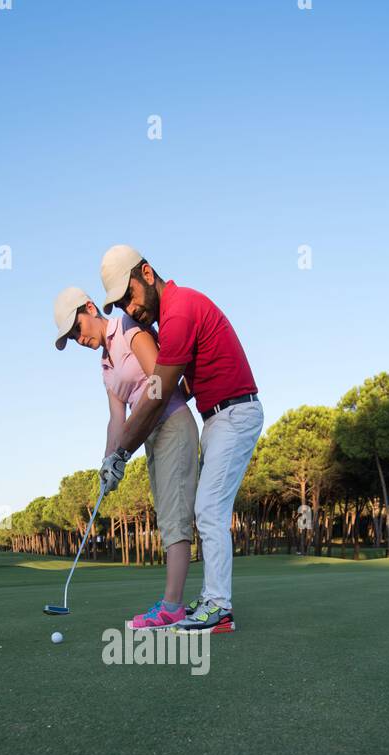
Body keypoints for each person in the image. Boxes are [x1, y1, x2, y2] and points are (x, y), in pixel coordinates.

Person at [98, 246, 263, 632]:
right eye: (120, 303)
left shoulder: (180, 309)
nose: (129, 309)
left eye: (130, 296)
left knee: (208, 509)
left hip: (235, 413)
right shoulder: (174, 315)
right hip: (217, 417)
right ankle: (210, 600)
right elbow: (177, 387)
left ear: (148, 274)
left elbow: (159, 393)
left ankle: (219, 607)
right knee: (207, 510)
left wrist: (121, 450)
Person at [53, 286, 199, 628]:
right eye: (71, 337)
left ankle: (172, 607)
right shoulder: (105, 365)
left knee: (176, 516)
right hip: (148, 436)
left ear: (90, 307)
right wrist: (108, 461)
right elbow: (116, 419)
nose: (78, 338)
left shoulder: (128, 326)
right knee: (167, 517)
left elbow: (158, 383)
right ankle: (172, 602)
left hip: (173, 424)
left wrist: (124, 448)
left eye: (77, 328)